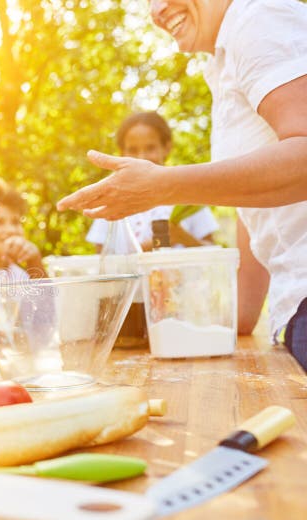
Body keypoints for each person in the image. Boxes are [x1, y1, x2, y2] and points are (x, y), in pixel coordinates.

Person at [57, 0, 307, 369]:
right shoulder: (222, 59)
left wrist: (164, 187)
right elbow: (255, 206)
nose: (157, 9)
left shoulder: (259, 20)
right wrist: (239, 315)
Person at [85, 111, 218, 252]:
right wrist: (161, 240)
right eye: (133, 150)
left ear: (166, 148)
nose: (141, 157)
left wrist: (182, 237)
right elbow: (103, 257)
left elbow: (213, 252)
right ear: (121, 152)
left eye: (150, 148)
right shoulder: (112, 198)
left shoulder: (187, 194)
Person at [0, 178, 46, 280]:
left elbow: (47, 295)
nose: (10, 230)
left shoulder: (18, 274)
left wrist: (35, 262)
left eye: (16, 222)